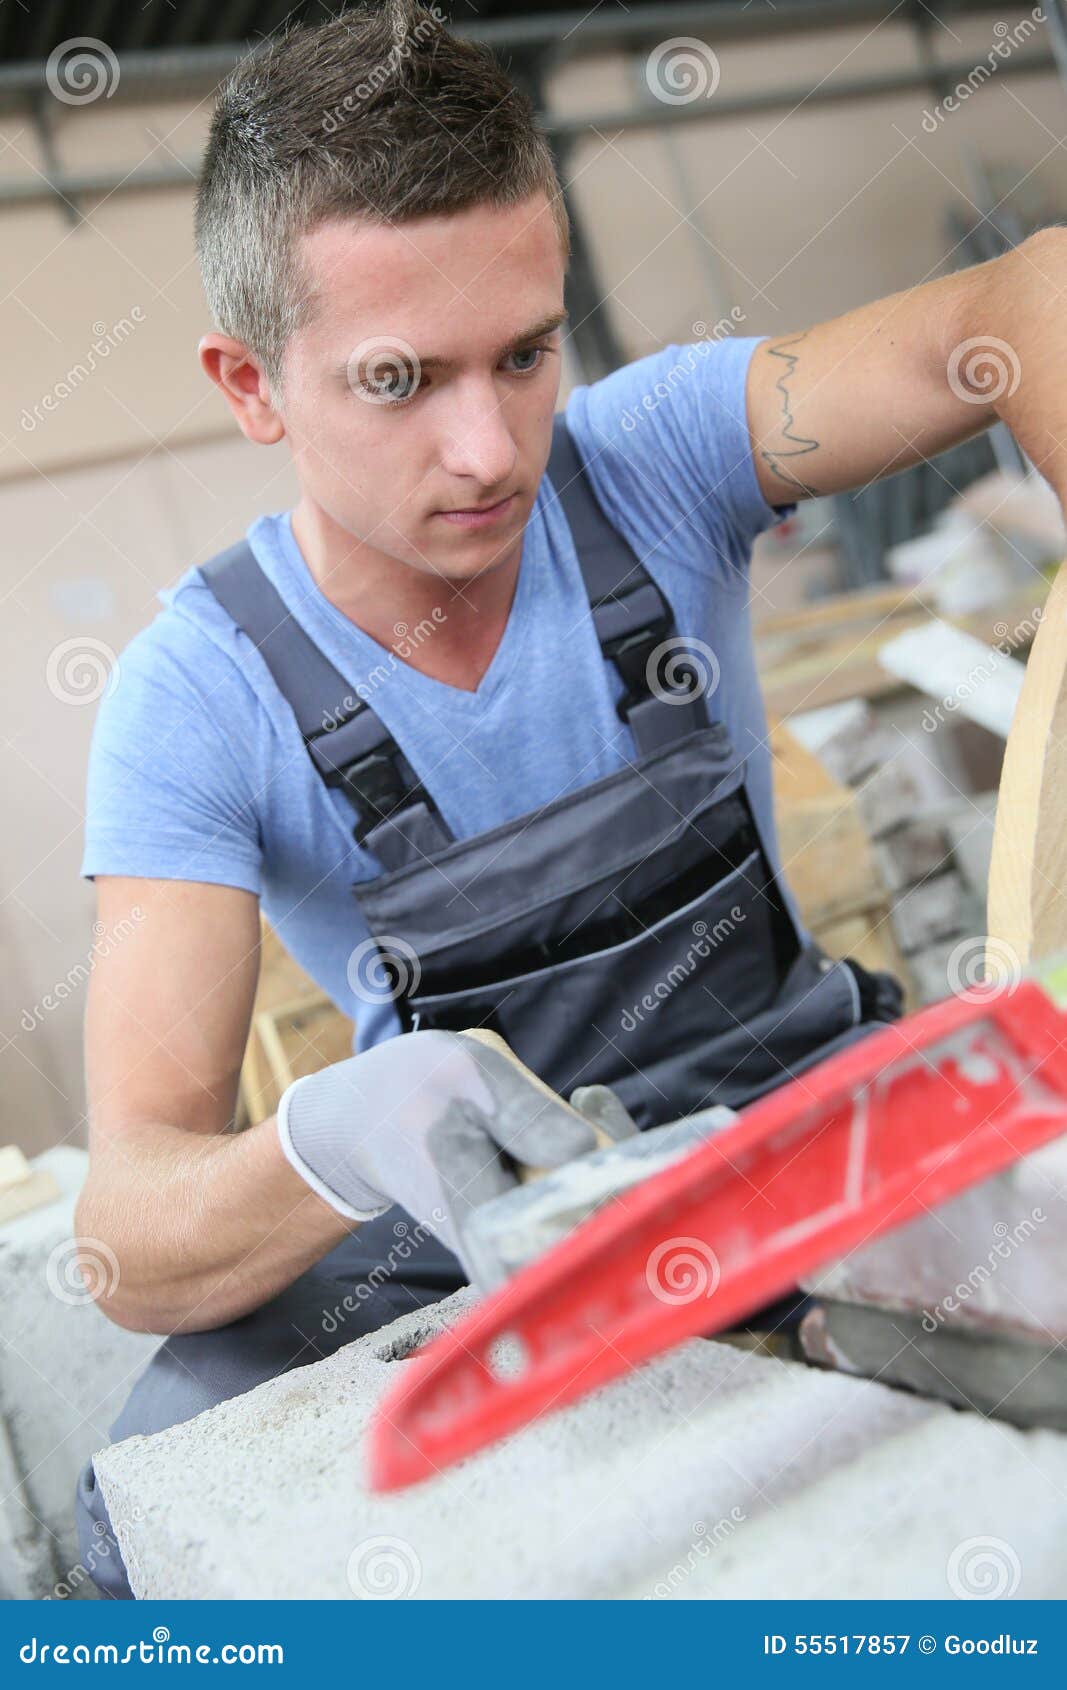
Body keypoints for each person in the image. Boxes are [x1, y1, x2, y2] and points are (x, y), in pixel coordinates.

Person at [72, 0, 1055, 1598]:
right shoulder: (200, 699)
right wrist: (333, 1138)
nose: (491, 446)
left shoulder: (657, 456)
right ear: (251, 384)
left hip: (803, 1114)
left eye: (527, 353)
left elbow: (1033, 295)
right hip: (498, 1232)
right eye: (402, 379)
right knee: (149, 1499)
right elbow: (131, 1218)